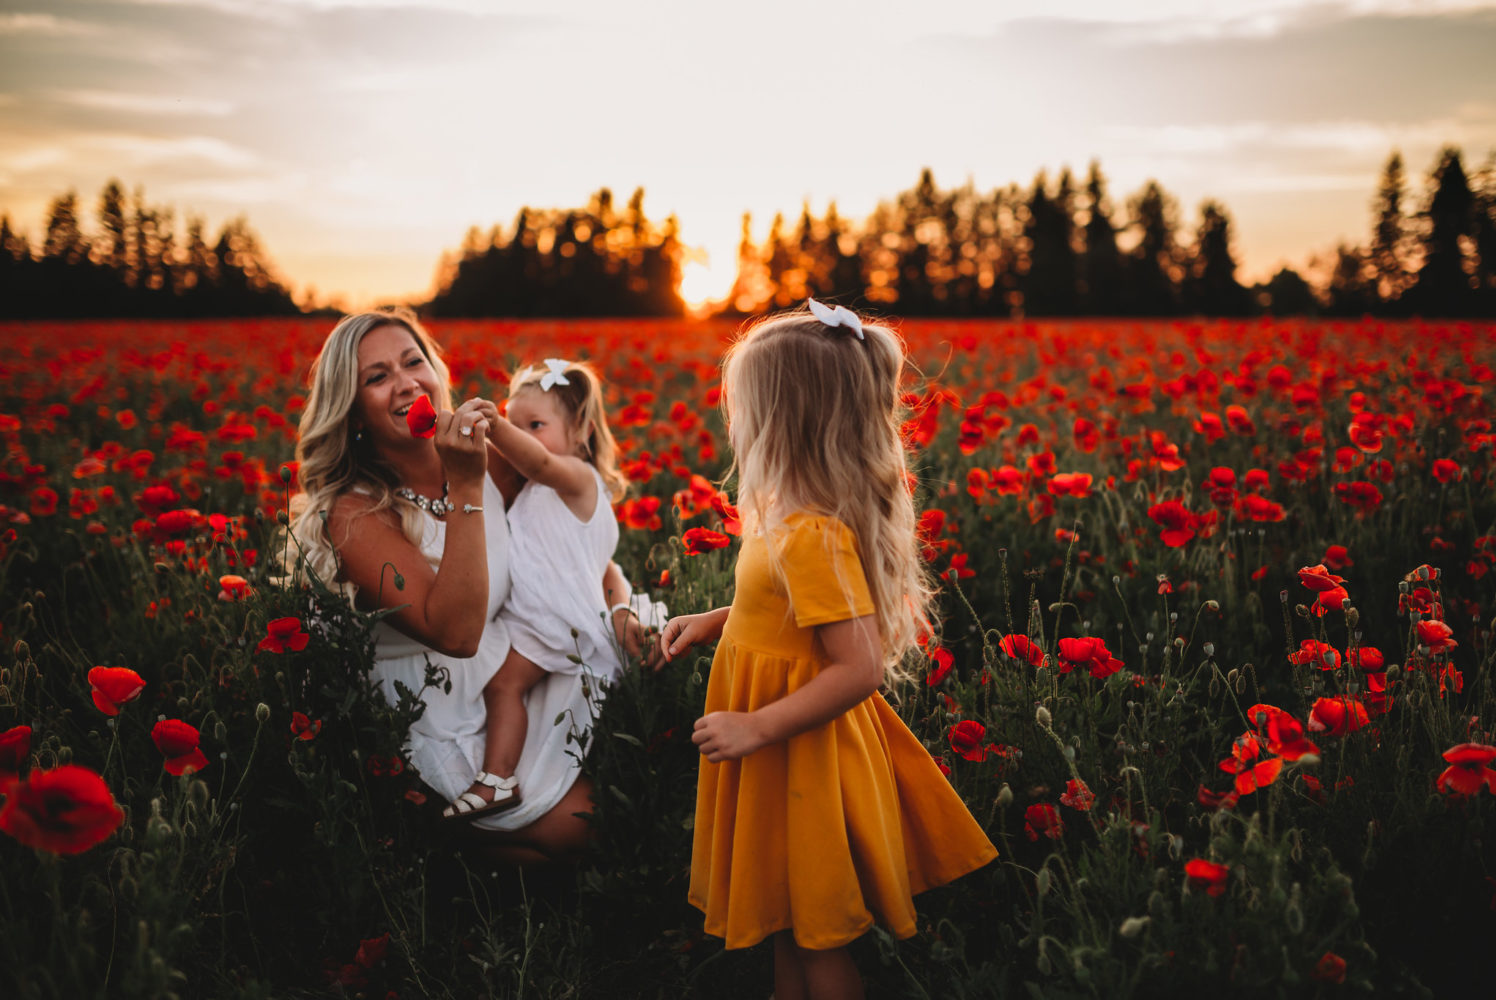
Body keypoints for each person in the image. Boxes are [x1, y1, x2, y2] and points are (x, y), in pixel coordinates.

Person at [657, 301, 997, 999]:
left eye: (743, 410)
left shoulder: (812, 534)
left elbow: (859, 667)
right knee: (790, 920)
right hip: (784, 749)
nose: (734, 425)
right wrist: (718, 617)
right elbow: (785, 610)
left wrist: (756, 726)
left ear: (787, 422)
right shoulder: (789, 518)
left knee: (818, 932)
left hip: (798, 751)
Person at [285, 308, 639, 863]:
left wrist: (617, 606)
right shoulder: (355, 514)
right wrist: (466, 484)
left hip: (506, 674)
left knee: (602, 814)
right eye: (376, 378)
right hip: (420, 707)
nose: (405, 383)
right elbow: (454, 632)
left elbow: (577, 550)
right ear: (352, 412)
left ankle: (453, 848)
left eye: (412, 361)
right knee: (572, 832)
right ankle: (426, 841)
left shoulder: (493, 458)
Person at [440, 358, 635, 822]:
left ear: (582, 429)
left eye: (535, 425)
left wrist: (497, 429)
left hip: (548, 618)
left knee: (503, 684)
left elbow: (541, 461)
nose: (521, 435)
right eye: (514, 419)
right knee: (499, 682)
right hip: (537, 614)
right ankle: (500, 772)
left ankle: (498, 778)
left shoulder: (574, 477)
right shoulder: (541, 492)